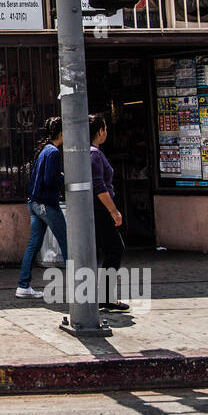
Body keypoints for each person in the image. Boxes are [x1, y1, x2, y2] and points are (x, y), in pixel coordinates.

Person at [16, 116, 67, 298]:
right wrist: (63, 177)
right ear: (62, 133)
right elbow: (49, 180)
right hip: (47, 203)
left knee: (34, 244)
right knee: (68, 243)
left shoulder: (43, 150)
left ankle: (23, 285)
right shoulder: (53, 152)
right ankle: (81, 287)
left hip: (34, 203)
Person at [89, 113, 129, 311]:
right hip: (101, 210)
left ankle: (105, 296)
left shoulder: (91, 153)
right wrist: (113, 211)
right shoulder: (94, 154)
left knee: (107, 250)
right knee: (115, 248)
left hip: (96, 210)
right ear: (100, 131)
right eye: (104, 128)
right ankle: (106, 297)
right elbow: (99, 186)